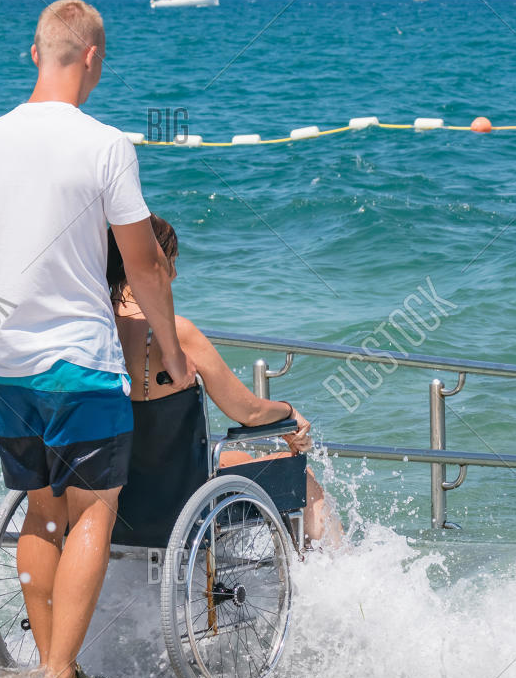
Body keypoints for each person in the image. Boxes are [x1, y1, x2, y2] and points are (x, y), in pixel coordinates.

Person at [0, 0, 196, 678]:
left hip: (2, 358)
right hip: (77, 360)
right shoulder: (104, 145)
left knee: (41, 509)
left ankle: (46, 663)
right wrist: (172, 354)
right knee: (94, 508)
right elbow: (145, 264)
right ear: (92, 57)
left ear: (35, 53)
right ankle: (60, 674)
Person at [108, 215, 343, 546]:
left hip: (114, 504)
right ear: (156, 265)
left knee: (241, 460)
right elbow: (249, 413)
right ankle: (335, 582)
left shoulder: (91, 331)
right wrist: (289, 413)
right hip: (180, 507)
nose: (174, 275)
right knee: (302, 477)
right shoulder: (177, 335)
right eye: (171, 262)